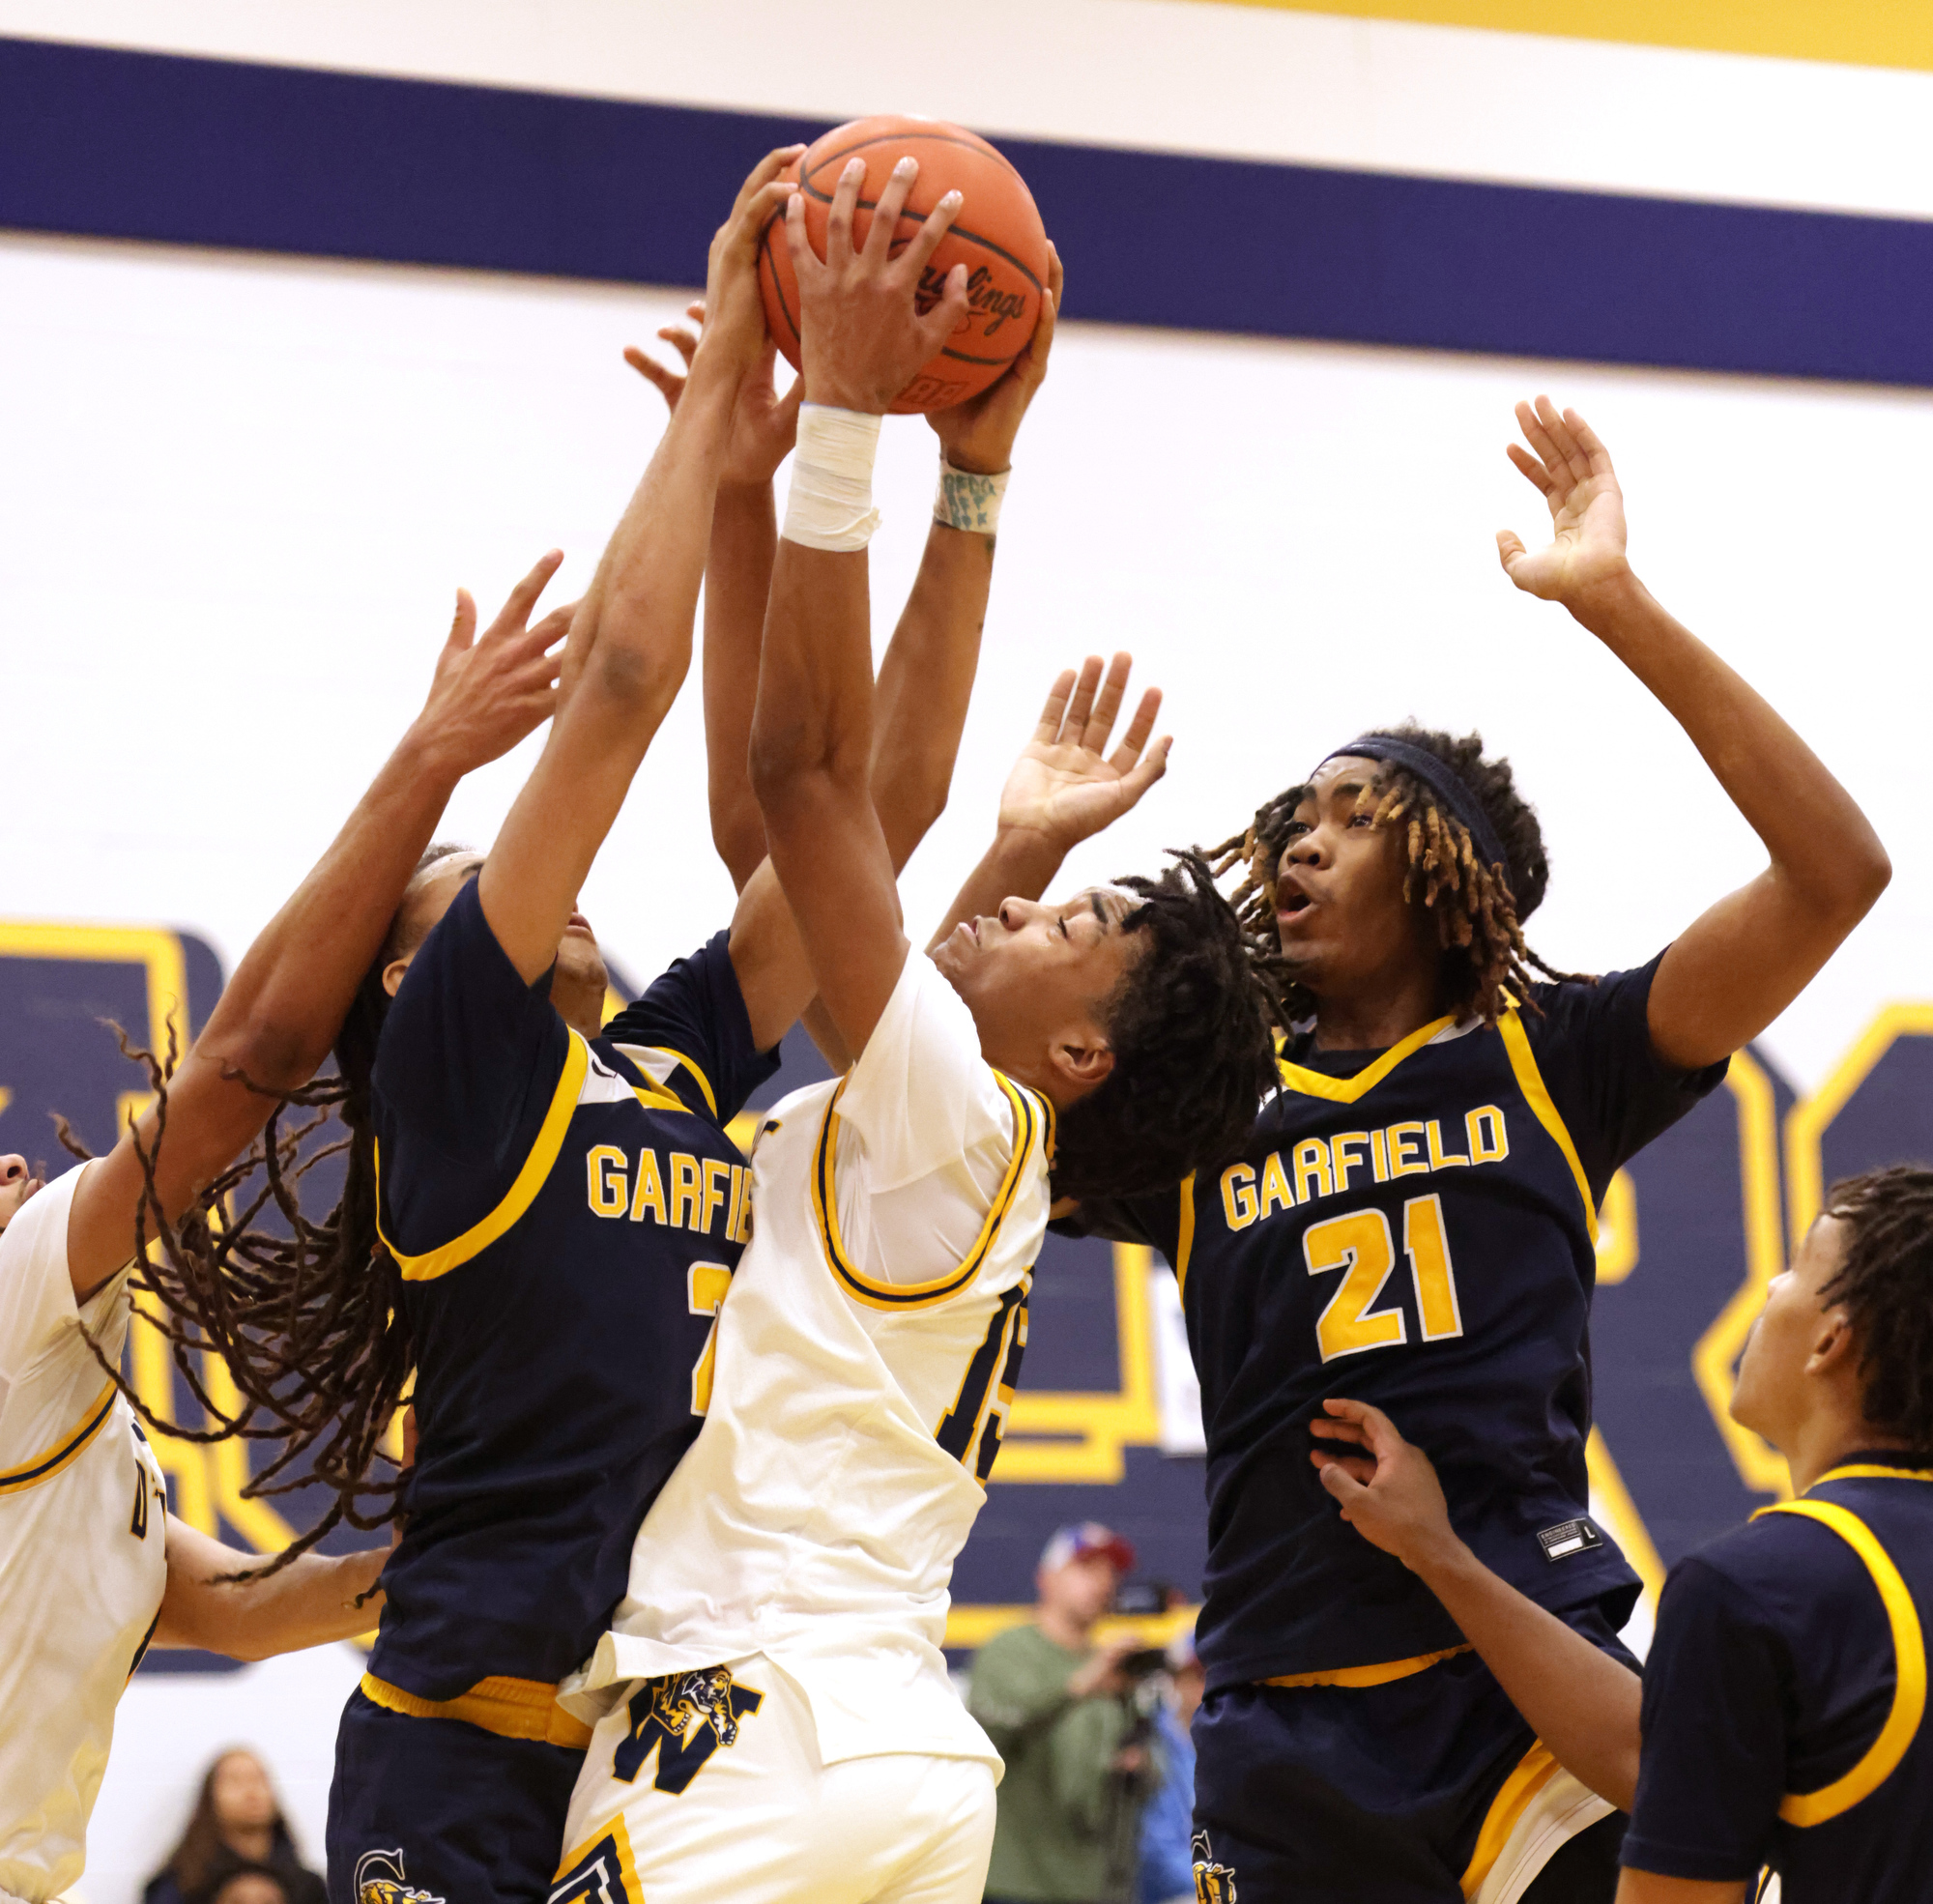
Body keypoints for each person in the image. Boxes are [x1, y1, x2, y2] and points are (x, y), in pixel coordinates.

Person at [548, 154, 1277, 1904]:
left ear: (1083, 1055)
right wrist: (965, 475)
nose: (1028, 903)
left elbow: (813, 791)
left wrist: (853, 432)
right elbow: (794, 856)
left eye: (1072, 921)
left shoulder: (959, 1120)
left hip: (749, 1725)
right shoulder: (967, 1145)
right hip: (873, 1734)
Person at [1060, 398, 1891, 1902]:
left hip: (1522, 1685)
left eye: (1357, 815)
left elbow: (1837, 871)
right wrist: (1022, 855)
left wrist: (1616, 605)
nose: (1301, 842)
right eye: (1294, 817)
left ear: (1453, 879)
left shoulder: (1553, 1058)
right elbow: (917, 1097)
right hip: (1282, 1708)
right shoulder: (1205, 1113)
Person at [0, 547, 565, 1904]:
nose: (12, 1151)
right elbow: (245, 1061)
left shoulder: (57, 1407)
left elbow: (225, 1612)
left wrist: (460, 1539)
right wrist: (427, 756)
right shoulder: (10, 1298)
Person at [1315, 1164, 1933, 1903]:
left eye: (1795, 1269)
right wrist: (1439, 1555)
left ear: (1831, 1340)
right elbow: (1654, 1753)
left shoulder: (1757, 1588)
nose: (1769, 1289)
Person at [970, 1523, 1156, 1904]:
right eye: (1087, 1568)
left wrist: (1140, 1763)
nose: (1103, 1583)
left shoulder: (1113, 1668)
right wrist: (1081, 1684)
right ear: (1047, 1577)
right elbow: (994, 1729)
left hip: (1095, 1887)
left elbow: (1150, 1765)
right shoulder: (1009, 1650)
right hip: (1015, 1884)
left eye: (1110, 1572)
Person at [143, 1750, 325, 1904]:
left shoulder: (308, 1886)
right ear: (210, 1798)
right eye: (235, 1781)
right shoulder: (182, 1884)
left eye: (258, 1779)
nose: (251, 1792)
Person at [1137, 1632, 1202, 1904]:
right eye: (1199, 1676)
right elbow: (1154, 1851)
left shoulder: (1244, 1746)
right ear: (1176, 1680)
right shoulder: (1150, 1744)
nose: (1210, 1687)